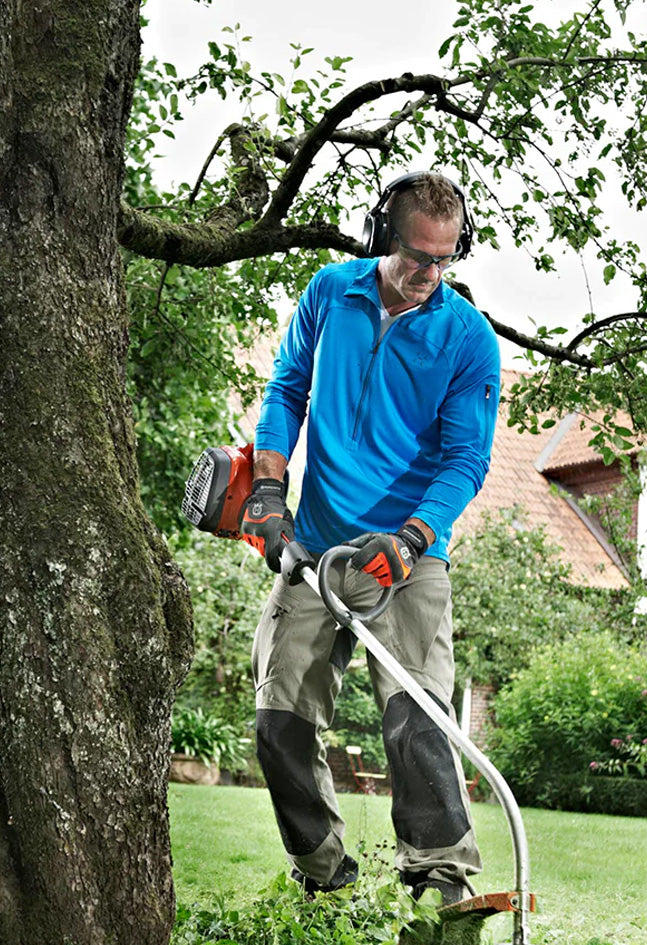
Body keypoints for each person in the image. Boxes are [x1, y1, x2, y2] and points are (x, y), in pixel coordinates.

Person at [239, 171, 501, 906]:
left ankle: (442, 890)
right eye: (418, 255)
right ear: (383, 233)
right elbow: (288, 388)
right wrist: (267, 489)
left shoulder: (467, 338)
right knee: (279, 720)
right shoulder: (331, 292)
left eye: (446, 259)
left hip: (410, 559)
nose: (429, 273)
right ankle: (324, 879)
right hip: (317, 550)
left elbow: (465, 460)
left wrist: (413, 539)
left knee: (417, 722)